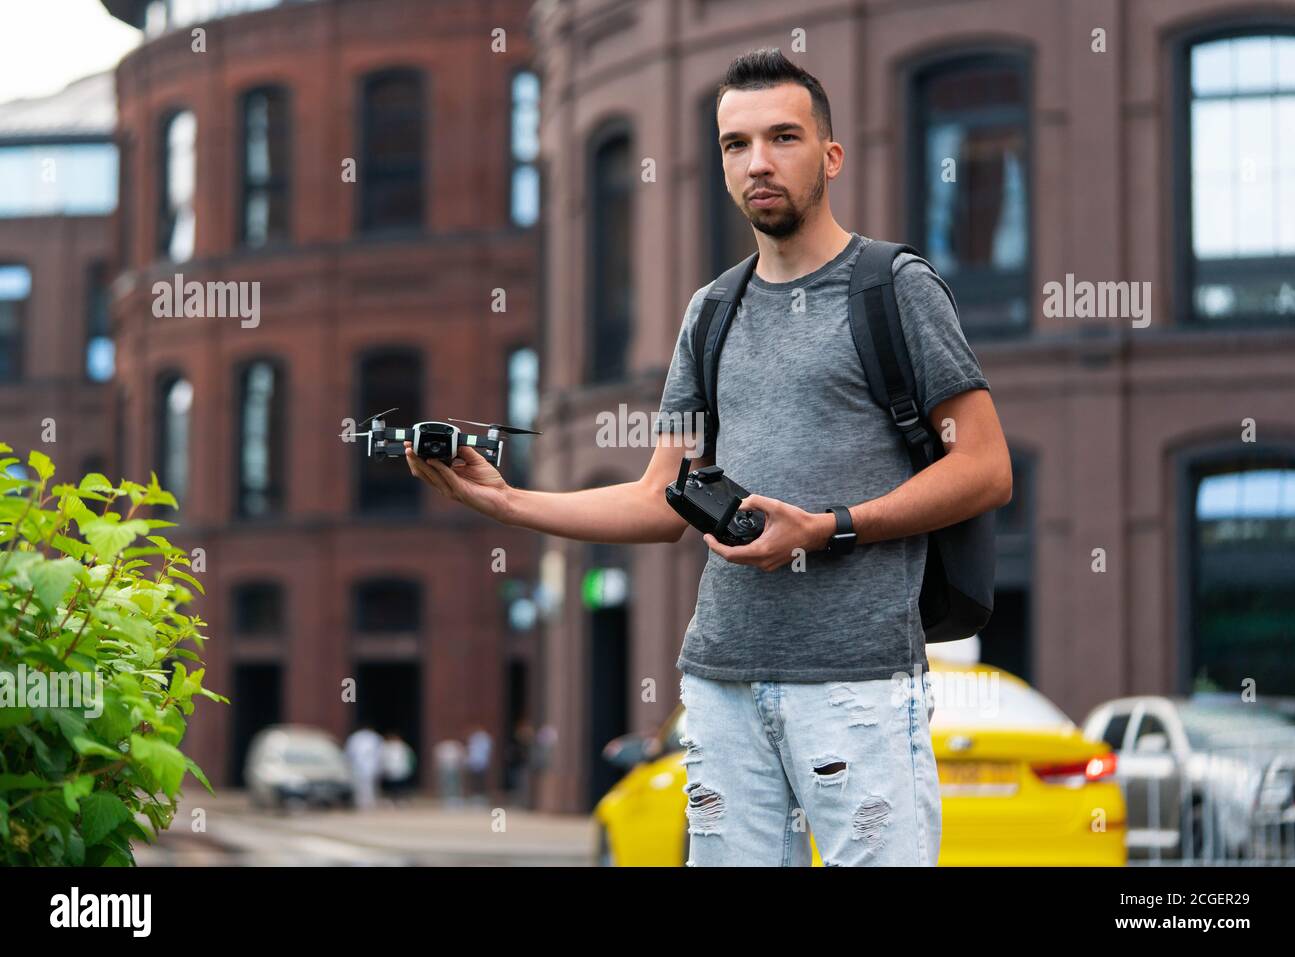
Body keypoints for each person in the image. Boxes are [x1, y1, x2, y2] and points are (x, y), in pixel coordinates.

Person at [403, 48, 1011, 866]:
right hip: (721, 686)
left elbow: (983, 465)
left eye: (783, 137)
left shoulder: (892, 288)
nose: (758, 161)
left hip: (857, 685)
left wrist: (830, 526)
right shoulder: (711, 312)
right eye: (735, 144)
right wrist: (505, 500)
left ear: (830, 156)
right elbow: (663, 500)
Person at [344, 725, 384, 810]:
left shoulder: (357, 737)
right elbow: (380, 753)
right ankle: (366, 803)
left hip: (364, 765)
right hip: (366, 765)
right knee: (366, 785)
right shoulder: (373, 737)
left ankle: (364, 803)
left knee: (364, 785)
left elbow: (349, 752)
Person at [380, 730, 416, 804]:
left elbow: (410, 758)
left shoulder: (403, 746)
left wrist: (411, 767)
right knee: (393, 786)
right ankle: (394, 799)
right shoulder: (387, 747)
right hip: (392, 769)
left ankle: (402, 799)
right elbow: (383, 758)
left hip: (401, 768)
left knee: (402, 785)